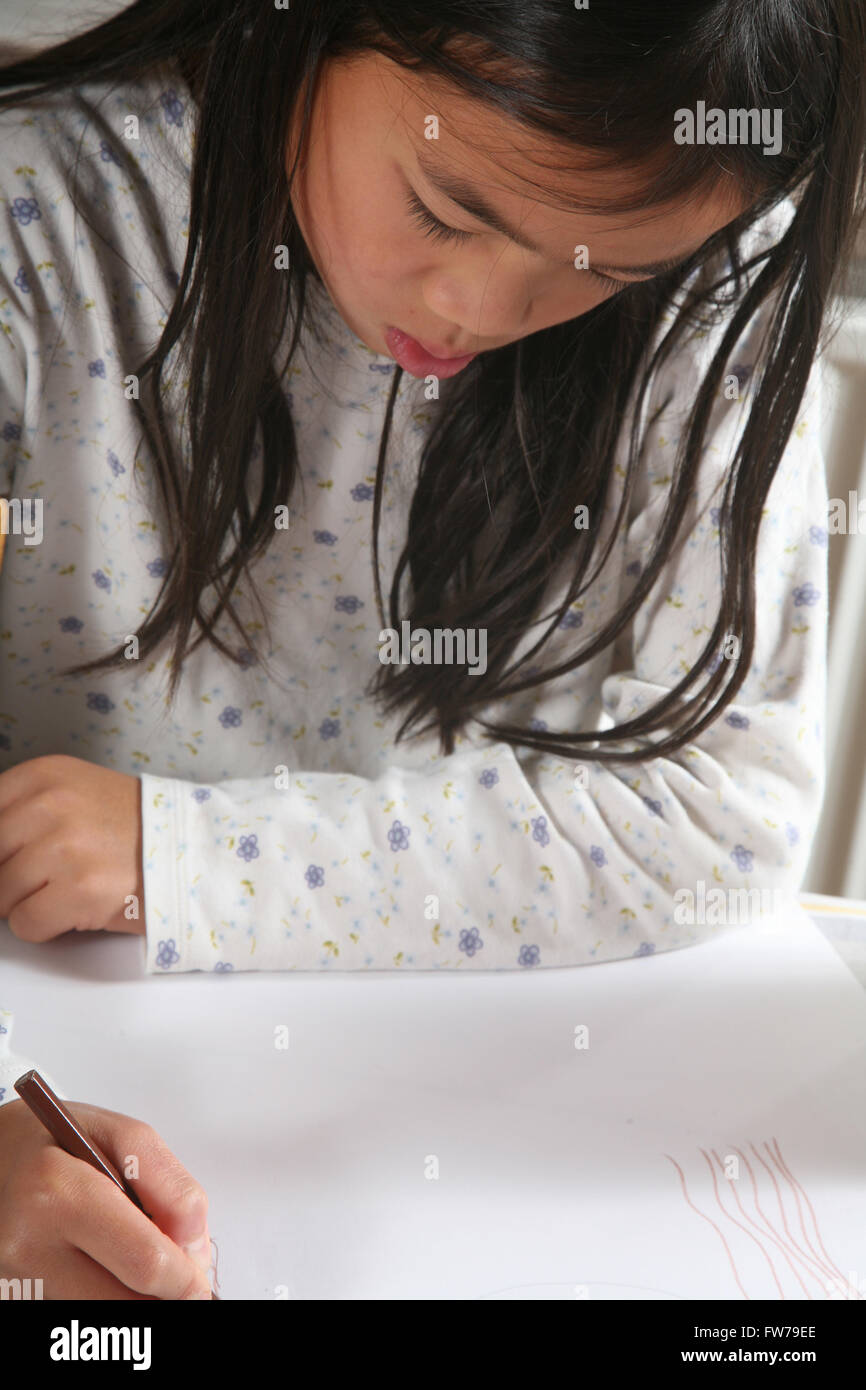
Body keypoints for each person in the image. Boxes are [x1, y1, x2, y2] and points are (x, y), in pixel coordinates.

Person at [0, 0, 862, 1299]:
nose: (474, 311)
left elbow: (724, 809)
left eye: (600, 270)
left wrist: (189, 859)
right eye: (448, 207)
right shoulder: (36, 226)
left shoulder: (710, 267)